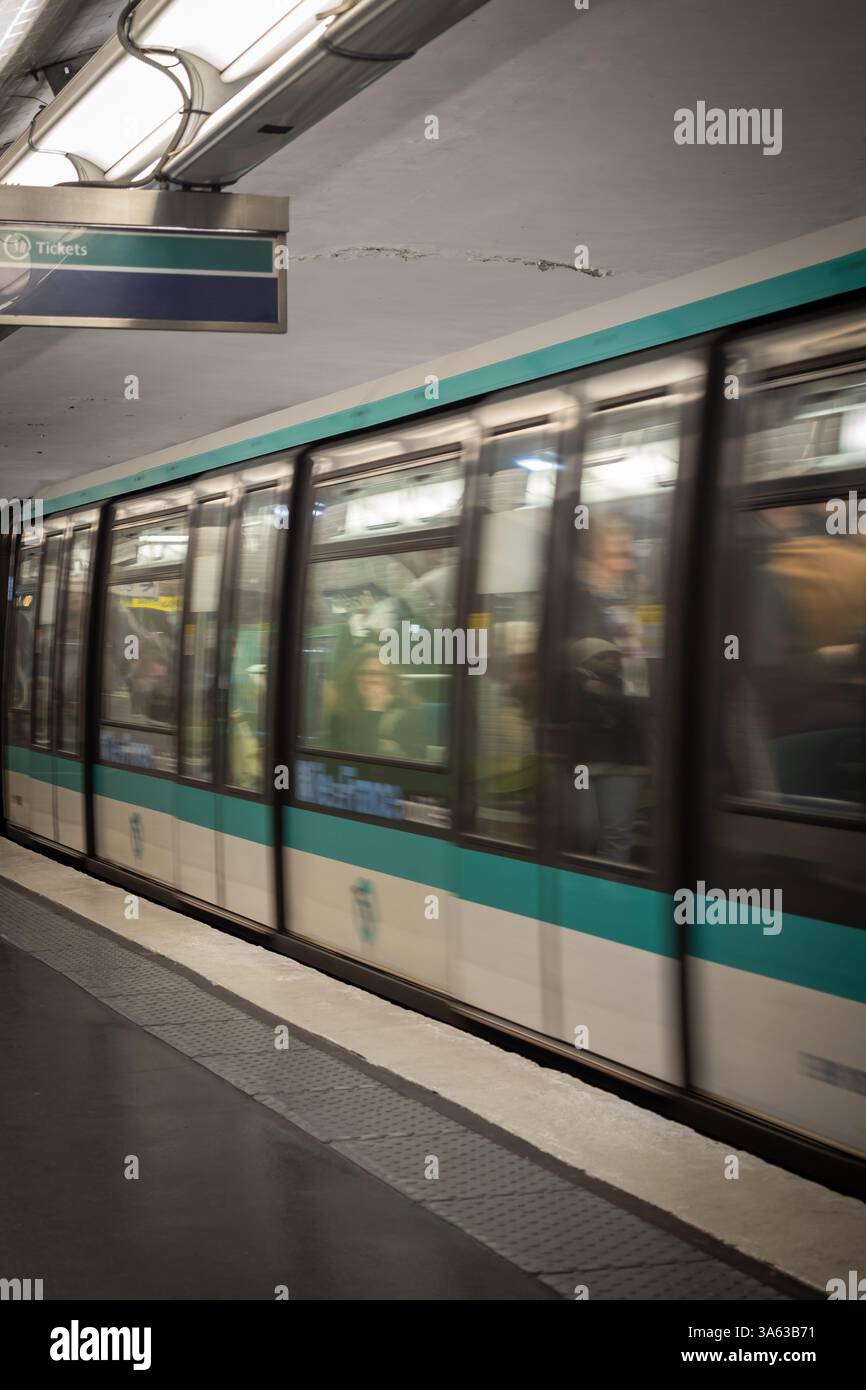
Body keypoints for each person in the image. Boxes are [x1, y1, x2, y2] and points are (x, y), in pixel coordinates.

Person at [568, 636, 645, 863]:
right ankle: (583, 872)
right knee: (585, 827)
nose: (612, 661)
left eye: (615, 656)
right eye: (601, 657)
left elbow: (642, 712)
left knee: (618, 831)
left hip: (625, 767)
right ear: (583, 662)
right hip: (582, 767)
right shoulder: (570, 683)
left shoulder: (629, 684)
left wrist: (606, 693)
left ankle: (612, 882)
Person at [328, 644, 426, 760]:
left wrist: (375, 710)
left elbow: (416, 758)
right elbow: (352, 756)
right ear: (353, 678)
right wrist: (372, 710)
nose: (370, 679)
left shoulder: (409, 711)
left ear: (391, 679)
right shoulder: (342, 711)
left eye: (378, 674)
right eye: (363, 673)